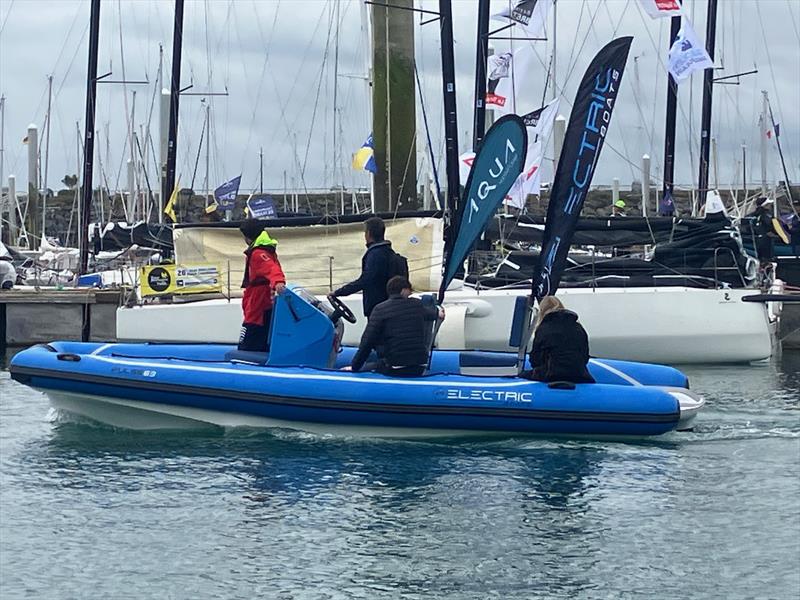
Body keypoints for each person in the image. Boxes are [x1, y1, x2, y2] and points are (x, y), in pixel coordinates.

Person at [347, 275, 444, 377]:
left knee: (368, 365)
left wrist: (354, 366)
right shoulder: (417, 305)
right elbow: (434, 314)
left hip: (395, 366)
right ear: (403, 290)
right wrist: (438, 311)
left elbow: (367, 342)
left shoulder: (380, 309)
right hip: (420, 365)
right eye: (409, 290)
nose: (411, 293)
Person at [328, 216, 395, 318]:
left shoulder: (375, 254)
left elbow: (365, 280)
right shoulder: (388, 252)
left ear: (368, 234)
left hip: (377, 308)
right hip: (388, 306)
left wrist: (339, 292)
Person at [238, 220, 287, 352]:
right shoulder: (266, 249)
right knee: (264, 325)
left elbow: (271, 268)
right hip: (263, 297)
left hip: (258, 298)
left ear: (248, 237)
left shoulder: (258, 253)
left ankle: (246, 351)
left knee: (252, 325)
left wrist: (278, 281)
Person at [523, 296, 594, 384]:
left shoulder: (543, 328)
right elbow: (585, 356)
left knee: (522, 375)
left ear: (542, 311)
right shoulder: (578, 327)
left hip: (551, 374)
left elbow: (535, 360)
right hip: (579, 374)